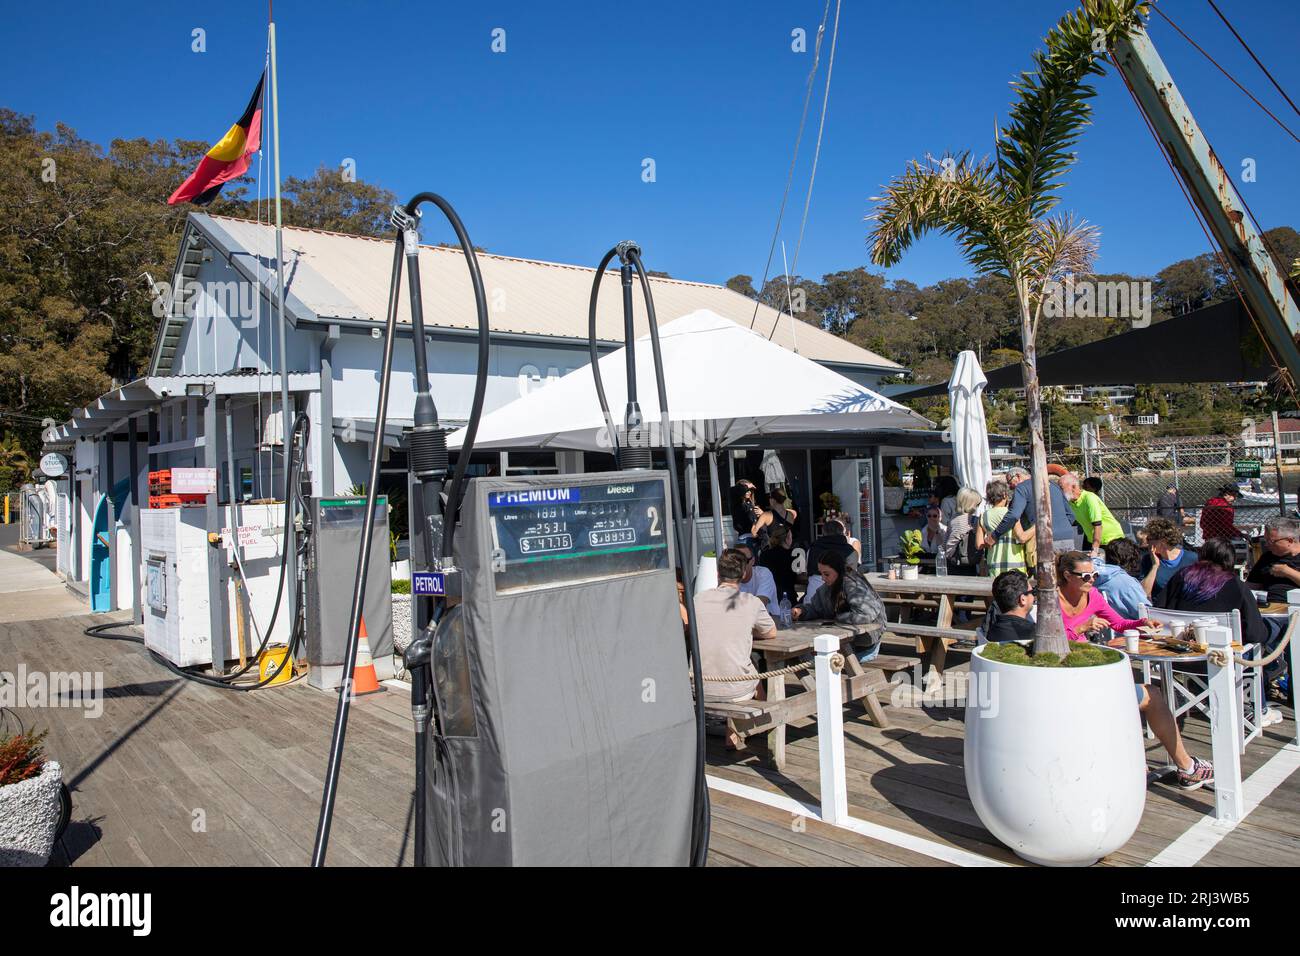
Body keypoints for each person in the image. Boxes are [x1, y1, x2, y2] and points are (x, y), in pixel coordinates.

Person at [1162, 536, 1283, 728]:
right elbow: (1255, 634)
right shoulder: (1235, 584)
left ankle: (1199, 694)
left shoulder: (1181, 577)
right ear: (1229, 560)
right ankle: (1259, 708)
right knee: (1270, 631)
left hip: (1179, 657)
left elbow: (1161, 611)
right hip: (1222, 659)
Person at [695, 550, 777, 714]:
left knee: (747, 667)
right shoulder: (751, 602)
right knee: (751, 671)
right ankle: (765, 720)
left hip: (699, 686)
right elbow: (771, 632)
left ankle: (747, 726)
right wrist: (747, 629)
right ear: (743, 573)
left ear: (718, 574)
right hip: (736, 688)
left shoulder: (697, 599)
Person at [792, 548, 887, 661]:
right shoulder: (827, 588)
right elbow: (815, 608)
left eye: (826, 574)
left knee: (820, 661)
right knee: (805, 657)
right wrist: (802, 611)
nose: (822, 578)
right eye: (821, 573)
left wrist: (838, 617)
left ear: (838, 570)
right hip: (842, 643)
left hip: (866, 644)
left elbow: (866, 615)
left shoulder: (853, 585)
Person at [1056, 550, 1147, 642]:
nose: (1092, 580)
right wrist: (1082, 628)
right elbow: (1050, 639)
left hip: (1081, 649)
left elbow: (1119, 624)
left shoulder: (1093, 596)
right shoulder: (1051, 600)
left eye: (1095, 575)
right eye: (1086, 576)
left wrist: (1144, 623)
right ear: (1068, 576)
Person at [988, 466, 1077, 557]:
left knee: (1046, 566)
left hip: (1044, 539)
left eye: (1010, 482)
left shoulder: (1022, 488)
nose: (1010, 487)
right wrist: (1059, 527)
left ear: (1018, 476)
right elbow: (1071, 515)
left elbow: (1014, 515)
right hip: (1067, 537)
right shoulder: (1054, 485)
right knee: (1067, 565)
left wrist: (995, 535)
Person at [1061, 472, 1125, 554]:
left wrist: (1095, 550)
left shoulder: (1090, 498)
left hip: (1111, 539)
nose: (1060, 491)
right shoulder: (1070, 502)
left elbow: (1098, 525)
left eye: (1062, 488)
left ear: (1073, 487)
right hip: (1092, 539)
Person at [978, 479, 1030, 577]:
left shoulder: (983, 516)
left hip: (994, 564)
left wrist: (990, 542)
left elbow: (979, 544)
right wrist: (1035, 528)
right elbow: (1021, 537)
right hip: (1015, 563)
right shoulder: (1012, 514)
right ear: (1005, 495)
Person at [1139, 516, 1197, 604]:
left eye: (1149, 539)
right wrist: (1155, 566)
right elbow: (1143, 593)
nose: (1147, 543)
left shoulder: (1192, 558)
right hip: (1161, 609)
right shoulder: (1148, 559)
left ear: (1162, 541)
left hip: (1185, 607)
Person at [1246, 514, 1300, 603]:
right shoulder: (1267, 558)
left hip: (1295, 607)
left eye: (1271, 541)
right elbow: (1251, 586)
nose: (1267, 545)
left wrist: (1287, 572)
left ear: (1289, 541)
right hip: (1268, 606)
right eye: (1266, 540)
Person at [1094, 538, 1149, 619]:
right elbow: (1145, 614)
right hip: (1124, 626)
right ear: (1132, 559)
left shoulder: (1090, 576)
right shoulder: (1127, 584)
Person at [984, 569, 1036, 643]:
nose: (1034, 596)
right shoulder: (1033, 633)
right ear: (1022, 599)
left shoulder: (991, 629)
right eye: (1032, 592)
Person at [730, 542, 779, 618]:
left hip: (772, 620)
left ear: (753, 561)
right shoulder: (729, 579)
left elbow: (760, 604)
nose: (740, 565)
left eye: (744, 560)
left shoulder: (763, 573)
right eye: (735, 561)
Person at [942, 487, 984, 576]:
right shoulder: (973, 520)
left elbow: (946, 542)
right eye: (977, 504)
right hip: (965, 560)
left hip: (951, 560)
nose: (977, 507)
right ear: (971, 504)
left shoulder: (953, 518)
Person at [758, 524, 800, 605]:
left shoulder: (764, 554)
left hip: (768, 596)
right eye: (791, 537)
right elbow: (799, 576)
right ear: (787, 538)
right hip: (788, 597)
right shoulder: (793, 554)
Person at [729, 479, 763, 548]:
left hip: (755, 539)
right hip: (745, 539)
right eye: (746, 490)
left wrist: (762, 514)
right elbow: (733, 490)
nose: (749, 492)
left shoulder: (750, 504)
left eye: (750, 490)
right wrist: (747, 486)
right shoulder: (738, 504)